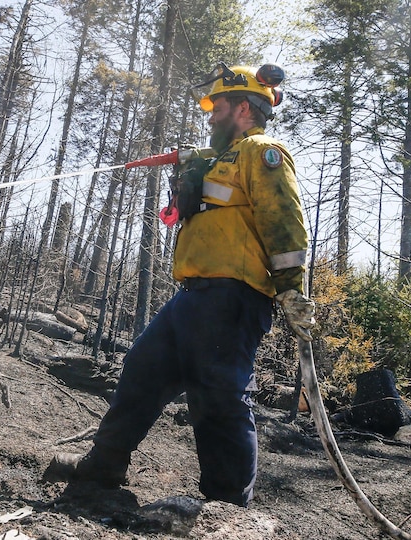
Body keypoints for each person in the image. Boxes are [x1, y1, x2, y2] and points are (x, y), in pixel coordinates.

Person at [44, 63, 315, 508]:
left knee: (219, 398)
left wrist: (290, 289)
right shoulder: (219, 158)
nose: (210, 116)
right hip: (194, 295)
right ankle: (102, 467)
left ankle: (227, 510)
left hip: (234, 296)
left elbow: (284, 223)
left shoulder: (262, 152)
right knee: (142, 371)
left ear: (244, 108)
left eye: (218, 106)